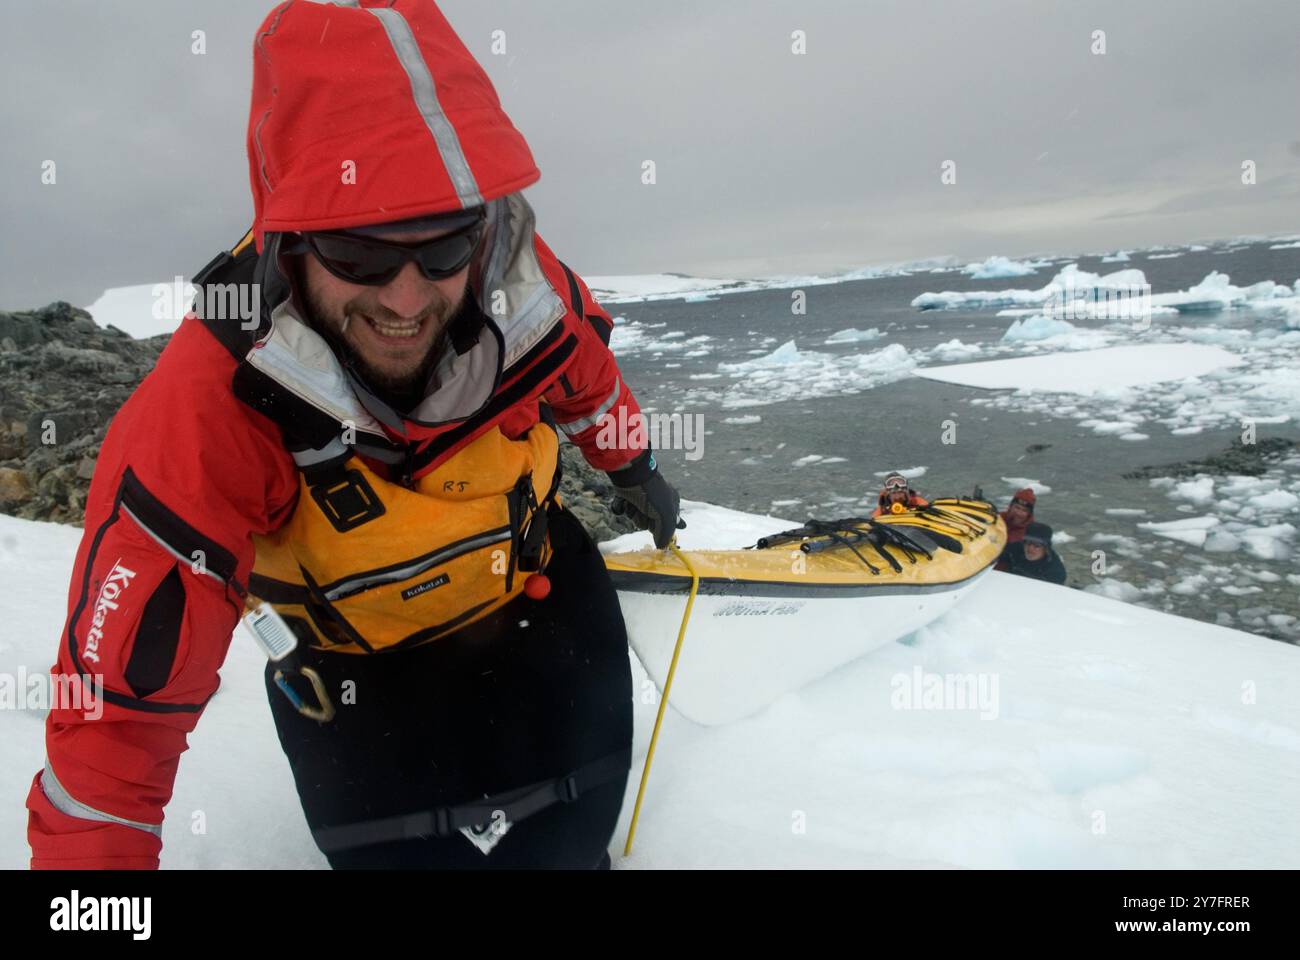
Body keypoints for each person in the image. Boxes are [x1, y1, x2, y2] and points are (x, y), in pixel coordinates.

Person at [26, 0, 681, 870]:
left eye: (442, 249)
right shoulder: (213, 405)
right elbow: (114, 729)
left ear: (482, 229)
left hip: (535, 603)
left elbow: (588, 381)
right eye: (362, 256)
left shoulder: (520, 283)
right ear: (289, 239)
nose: (407, 299)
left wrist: (634, 465)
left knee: (572, 849)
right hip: (356, 676)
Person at [998, 522, 1067, 585]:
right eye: (1028, 543)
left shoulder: (1055, 571)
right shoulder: (1015, 550)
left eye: (1037, 545)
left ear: (1046, 548)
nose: (1030, 549)